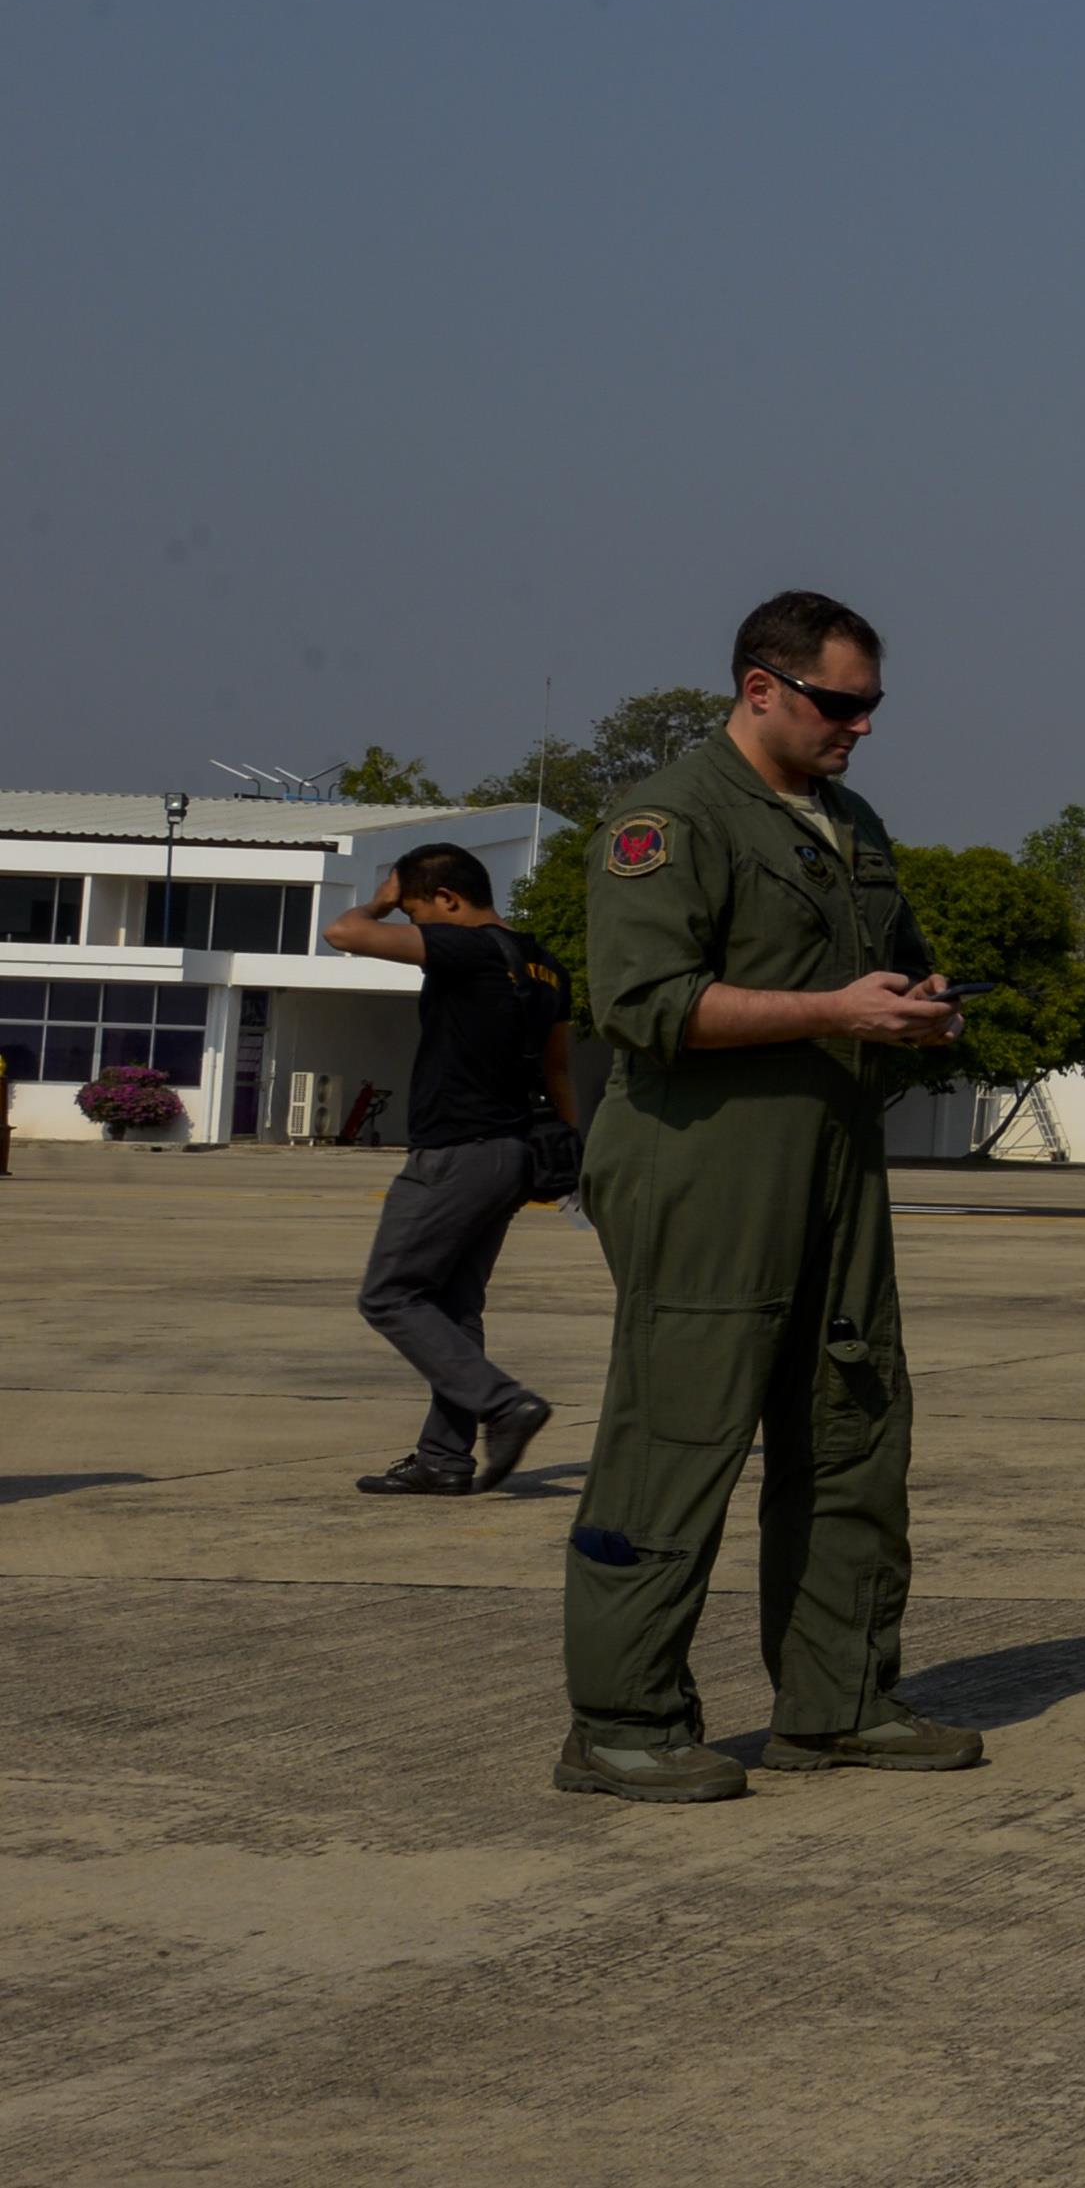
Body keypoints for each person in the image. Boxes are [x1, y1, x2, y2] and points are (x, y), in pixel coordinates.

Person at [554, 591, 976, 1804]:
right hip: (706, 1159)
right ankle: (621, 1718)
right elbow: (647, 1002)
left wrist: (916, 1004)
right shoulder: (668, 819)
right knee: (676, 1433)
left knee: (852, 1424)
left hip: (835, 1155)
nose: (860, 727)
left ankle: (836, 1704)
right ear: (759, 687)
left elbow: (871, 970)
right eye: (838, 703)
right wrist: (840, 1010)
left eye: (871, 706)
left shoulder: (849, 821)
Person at [325, 844, 575, 1496]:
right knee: (455, 1305)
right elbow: (557, 1070)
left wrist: (382, 898)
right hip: (515, 1152)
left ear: (448, 900)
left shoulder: (465, 947)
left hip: (458, 1149)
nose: (413, 927)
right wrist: (576, 1148)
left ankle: (503, 1403)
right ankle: (444, 1456)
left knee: (391, 1292)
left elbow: (341, 932)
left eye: (416, 913)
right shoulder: (546, 963)